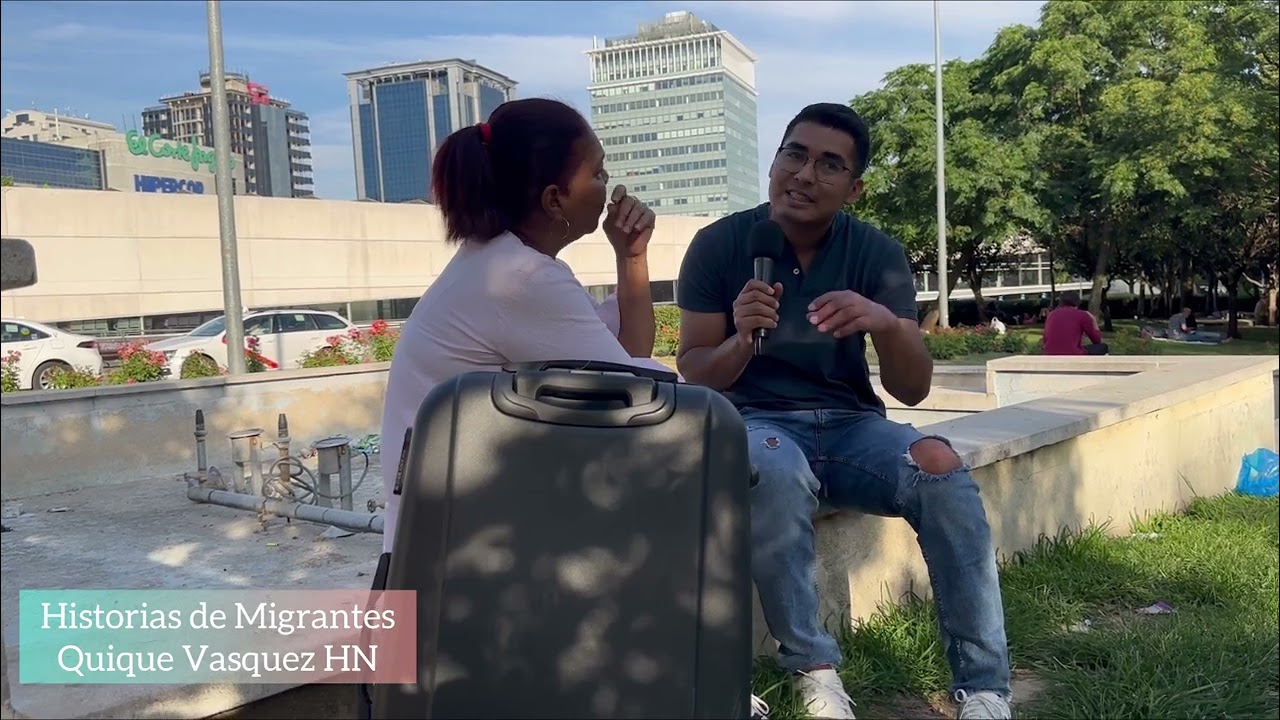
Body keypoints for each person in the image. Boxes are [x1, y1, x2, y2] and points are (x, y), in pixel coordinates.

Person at [675, 103, 1013, 720]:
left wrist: (887, 323)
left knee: (938, 462)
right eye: (794, 154)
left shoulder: (875, 253)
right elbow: (693, 371)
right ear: (774, 160)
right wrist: (739, 338)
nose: (804, 174)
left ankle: (985, 687)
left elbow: (912, 391)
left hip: (854, 426)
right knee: (772, 467)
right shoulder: (719, 245)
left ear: (853, 188)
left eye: (829, 165)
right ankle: (815, 671)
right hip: (757, 426)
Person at [379, 97, 668, 556]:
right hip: (455, 543)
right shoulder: (520, 279)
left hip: (442, 521)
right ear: (555, 199)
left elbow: (626, 360)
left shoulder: (502, 262)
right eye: (597, 172)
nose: (607, 184)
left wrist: (632, 255)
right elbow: (647, 395)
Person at [1041, 291, 1108, 355]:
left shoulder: (1051, 314)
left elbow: (1045, 340)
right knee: (1103, 347)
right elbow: (1096, 340)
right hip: (1073, 354)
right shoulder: (1082, 315)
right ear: (1077, 302)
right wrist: (1094, 320)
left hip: (1049, 354)